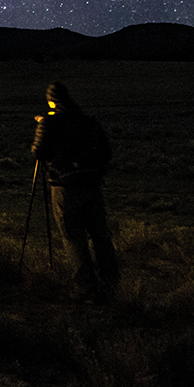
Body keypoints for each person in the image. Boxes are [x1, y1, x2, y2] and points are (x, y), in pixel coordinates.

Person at [31, 81, 117, 301]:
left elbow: (38, 152)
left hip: (65, 187)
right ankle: (112, 281)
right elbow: (107, 151)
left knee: (73, 237)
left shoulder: (49, 123)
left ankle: (86, 288)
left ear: (51, 100)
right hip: (92, 184)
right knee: (100, 235)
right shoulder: (88, 121)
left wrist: (43, 127)